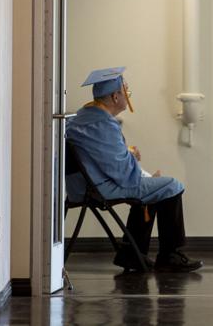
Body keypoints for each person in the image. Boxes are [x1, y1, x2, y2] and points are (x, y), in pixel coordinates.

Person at [65, 66, 202, 273]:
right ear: (114, 96)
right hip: (100, 189)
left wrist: (128, 155)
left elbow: (100, 155)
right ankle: (169, 255)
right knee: (172, 185)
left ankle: (132, 255)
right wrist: (139, 169)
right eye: (125, 91)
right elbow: (123, 175)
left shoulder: (82, 116)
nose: (127, 96)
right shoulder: (104, 124)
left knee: (153, 189)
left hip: (81, 187)